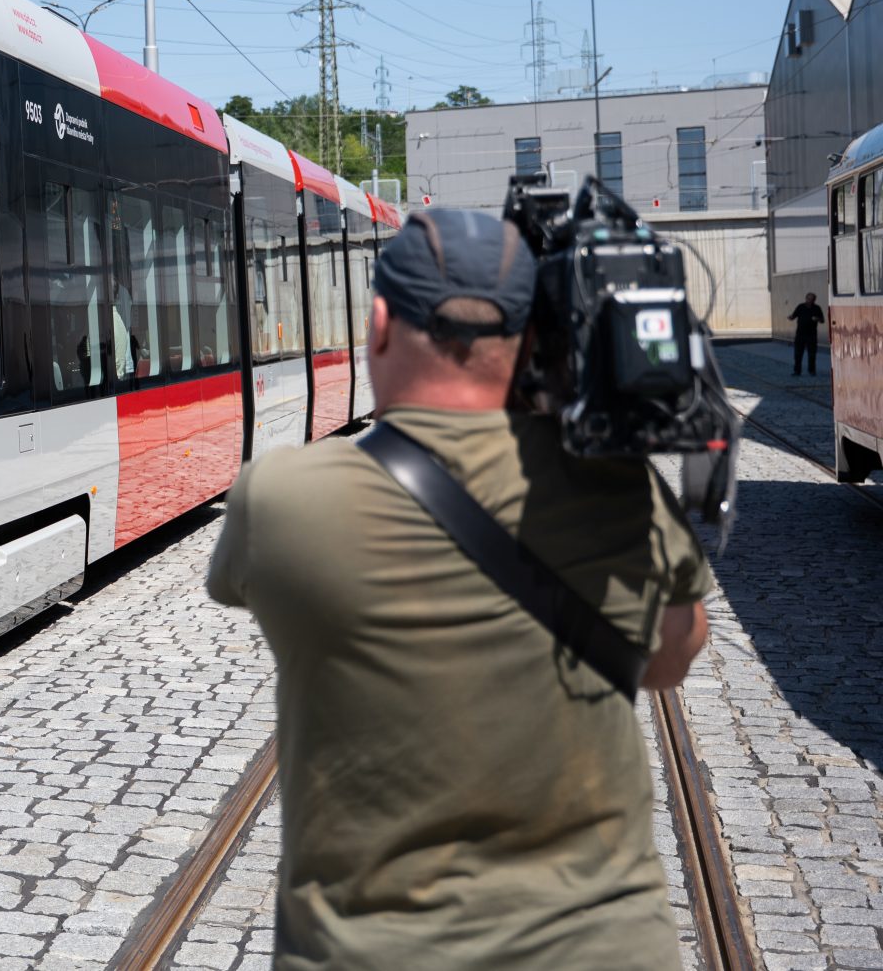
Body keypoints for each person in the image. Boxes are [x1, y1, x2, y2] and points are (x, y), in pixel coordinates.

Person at [207, 207, 710, 970]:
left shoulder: (277, 496)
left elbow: (241, 584)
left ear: (378, 324)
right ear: (534, 336)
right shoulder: (618, 486)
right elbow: (672, 657)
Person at [790, 291, 825, 376]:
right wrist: (791, 317)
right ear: (806, 299)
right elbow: (794, 315)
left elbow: (822, 320)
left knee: (812, 354)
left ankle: (811, 371)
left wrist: (817, 319)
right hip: (800, 334)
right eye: (808, 299)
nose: (810, 300)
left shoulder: (817, 308)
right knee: (798, 354)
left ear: (814, 300)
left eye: (812, 299)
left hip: (811, 335)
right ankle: (797, 371)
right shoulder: (800, 307)